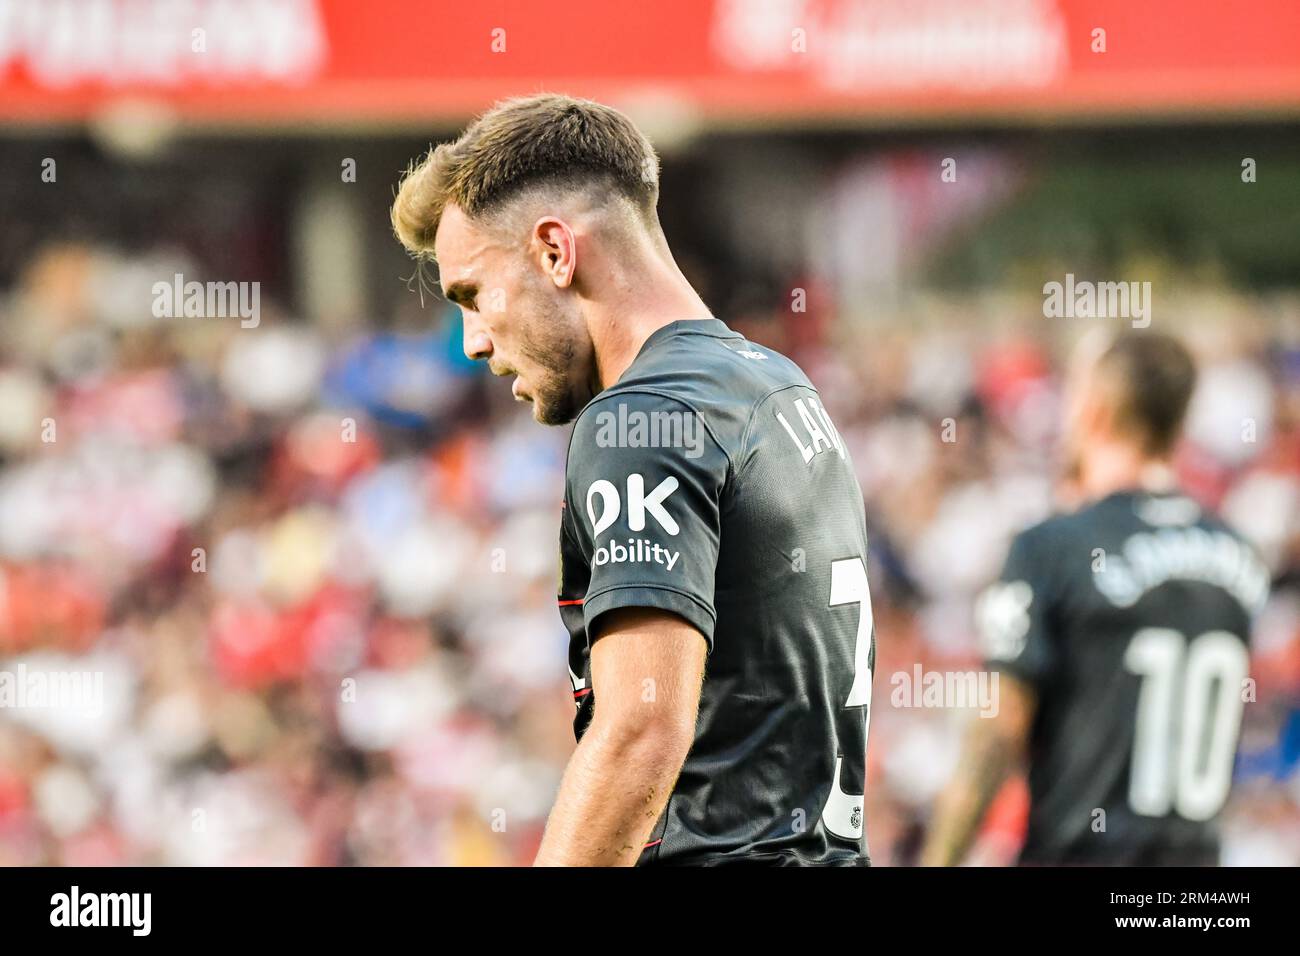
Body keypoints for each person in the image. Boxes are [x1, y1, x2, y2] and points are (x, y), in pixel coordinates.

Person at [391, 94, 874, 865]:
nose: (474, 342)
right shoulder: (776, 387)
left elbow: (641, 730)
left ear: (555, 251)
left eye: (473, 296)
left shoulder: (640, 417)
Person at [923, 331, 1269, 866]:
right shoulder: (1236, 554)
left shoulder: (1052, 547)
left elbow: (999, 728)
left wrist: (939, 859)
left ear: (1097, 408)